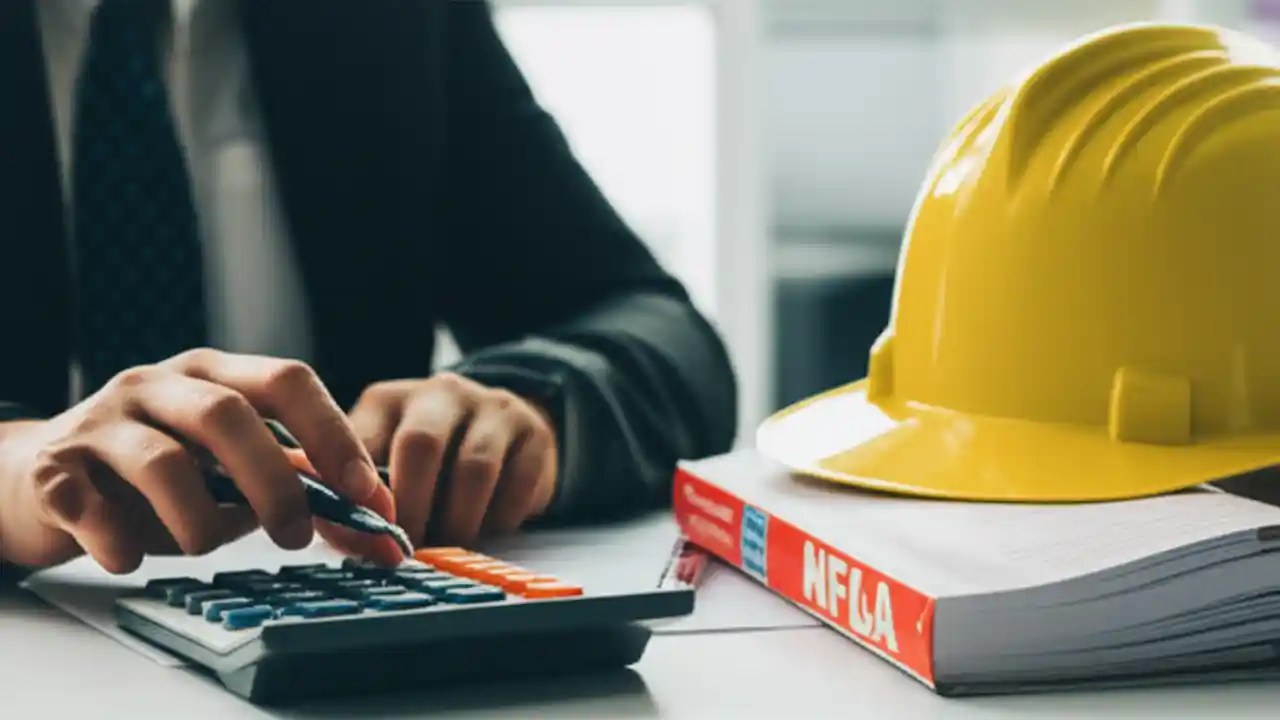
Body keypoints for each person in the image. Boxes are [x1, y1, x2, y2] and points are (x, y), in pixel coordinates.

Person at [0, 0, 736, 573]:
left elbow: (660, 331)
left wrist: (536, 406)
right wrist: (12, 476)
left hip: (345, 643)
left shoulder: (382, 18)